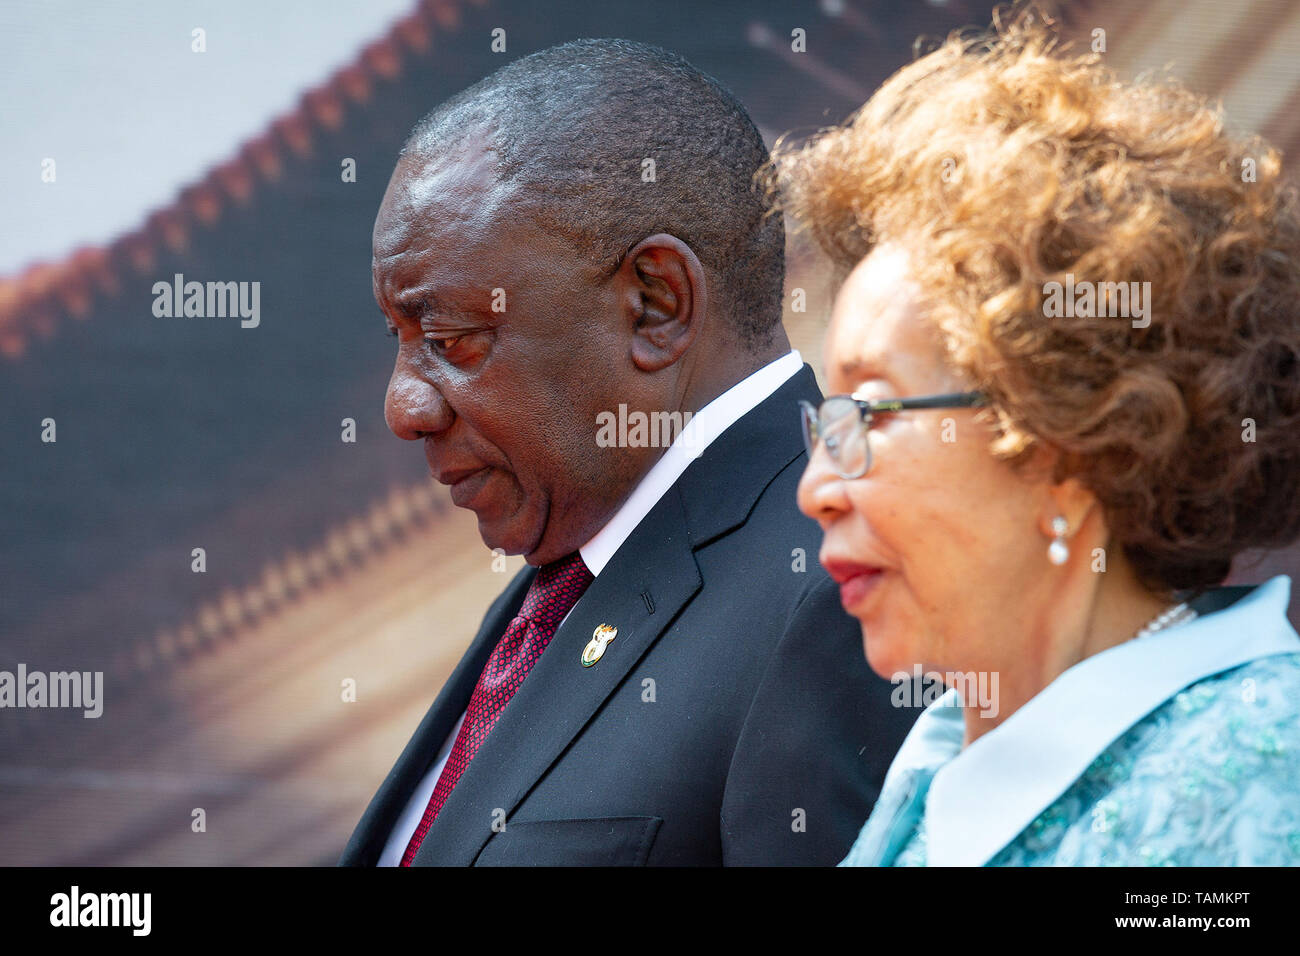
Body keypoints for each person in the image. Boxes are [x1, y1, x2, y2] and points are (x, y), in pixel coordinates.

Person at [339, 38, 915, 867]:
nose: (403, 407)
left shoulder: (841, 583)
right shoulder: (574, 566)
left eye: (451, 338)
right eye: (399, 340)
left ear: (655, 305)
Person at [776, 13, 1300, 865]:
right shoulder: (937, 767)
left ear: (1068, 440)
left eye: (867, 415)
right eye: (824, 424)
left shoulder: (1263, 785)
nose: (816, 488)